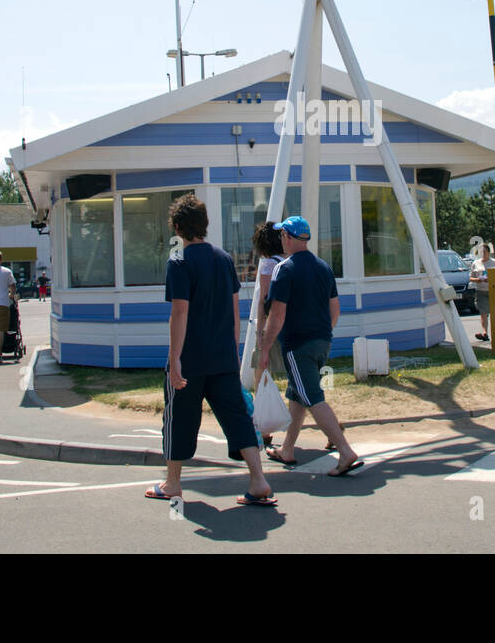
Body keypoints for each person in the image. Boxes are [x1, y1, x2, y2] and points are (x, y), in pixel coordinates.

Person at [147, 193, 275, 507]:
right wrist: (232, 350)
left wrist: (174, 358)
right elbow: (234, 310)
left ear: (177, 227)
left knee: (179, 418)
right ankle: (258, 480)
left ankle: (173, 483)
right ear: (205, 225)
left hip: (191, 358)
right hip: (222, 356)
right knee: (237, 417)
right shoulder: (224, 259)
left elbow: (180, 313)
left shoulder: (179, 261)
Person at [259, 216, 363, 477]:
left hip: (297, 344)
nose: (281, 238)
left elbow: (277, 315)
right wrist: (324, 332)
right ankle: (288, 449)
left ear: (288, 238)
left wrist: (264, 347)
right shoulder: (323, 267)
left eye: (283, 234)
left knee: (313, 398)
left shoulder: (285, 269)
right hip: (322, 341)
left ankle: (345, 450)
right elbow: (335, 308)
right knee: (297, 396)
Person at [251, 221, 287, 449]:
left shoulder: (267, 265)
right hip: (293, 326)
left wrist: (259, 333)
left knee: (260, 375)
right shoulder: (290, 261)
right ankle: (333, 430)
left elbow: (265, 300)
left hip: (271, 326)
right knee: (302, 382)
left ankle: (262, 429)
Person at [469, 243, 495, 342]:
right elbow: (470, 277)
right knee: (483, 312)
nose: (483, 254)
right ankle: (485, 333)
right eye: (481, 252)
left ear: (488, 252)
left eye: (485, 252)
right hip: (481, 291)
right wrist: (477, 280)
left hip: (493, 290)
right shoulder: (475, 263)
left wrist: (491, 279)